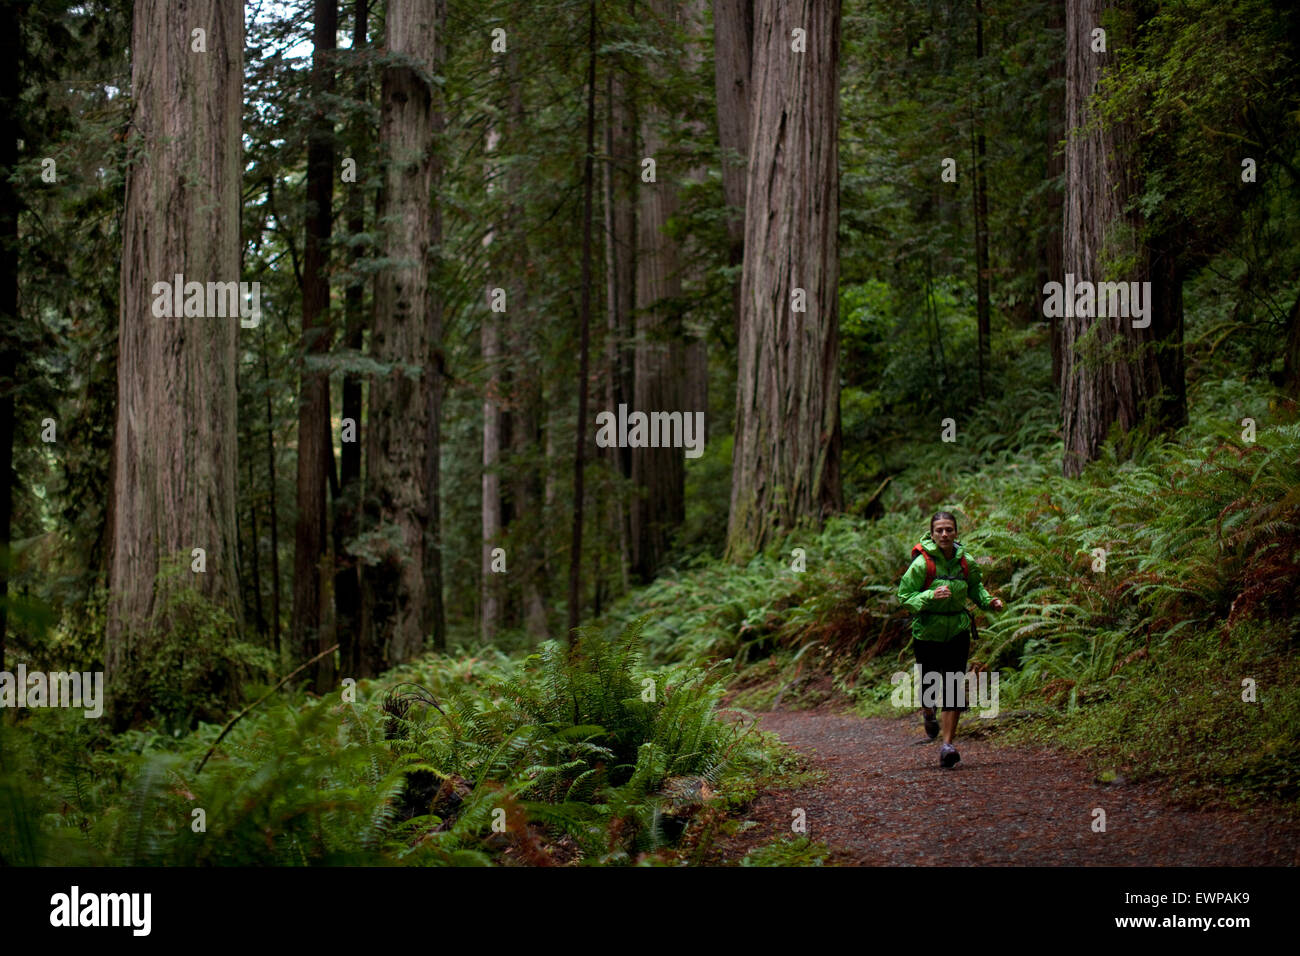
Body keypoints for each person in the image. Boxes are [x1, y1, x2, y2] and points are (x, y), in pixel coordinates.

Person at [897, 511, 1003, 768]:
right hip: (927, 634)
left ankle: (948, 745)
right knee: (930, 684)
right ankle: (928, 711)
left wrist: (990, 601)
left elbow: (975, 587)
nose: (944, 534)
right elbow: (904, 597)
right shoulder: (923, 565)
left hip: (958, 630)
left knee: (954, 685)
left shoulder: (965, 561)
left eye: (949, 530)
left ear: (956, 532)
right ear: (932, 534)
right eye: (939, 530)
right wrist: (930, 596)